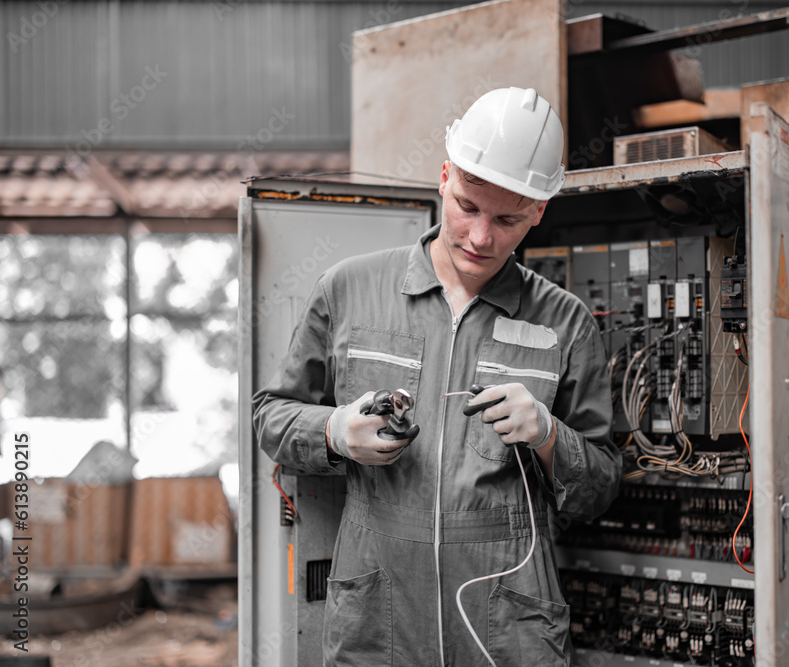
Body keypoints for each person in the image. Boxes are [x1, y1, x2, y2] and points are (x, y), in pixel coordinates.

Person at [252, 86, 620, 666]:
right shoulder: (349, 290)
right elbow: (270, 416)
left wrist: (550, 436)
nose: (480, 237)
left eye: (507, 220)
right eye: (468, 206)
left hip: (508, 617)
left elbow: (600, 487)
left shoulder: (564, 322)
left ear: (539, 212)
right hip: (379, 609)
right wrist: (334, 431)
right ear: (444, 176)